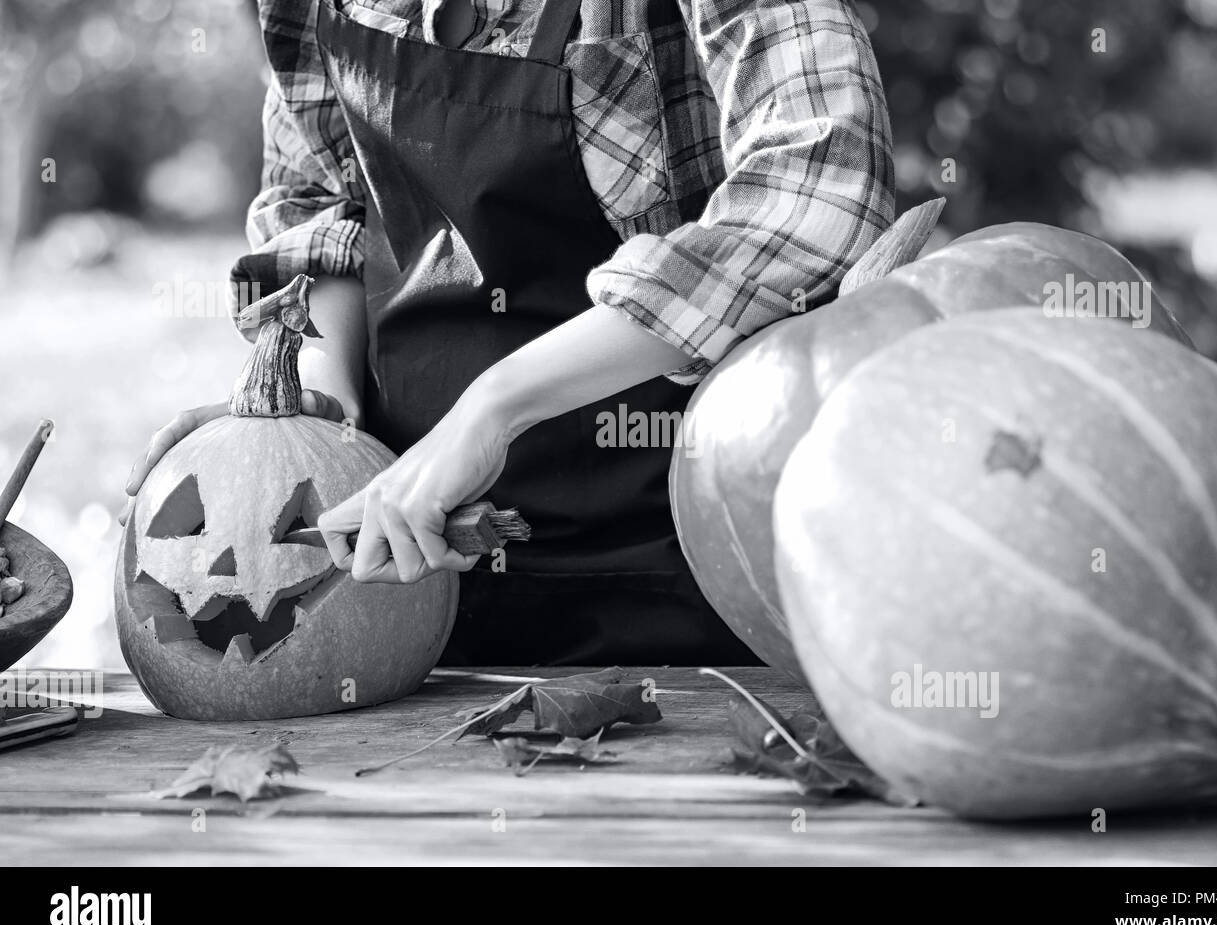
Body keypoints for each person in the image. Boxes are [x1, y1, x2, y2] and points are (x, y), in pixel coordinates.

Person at [124, 0, 894, 666]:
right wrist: (325, 419)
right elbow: (316, 204)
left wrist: (494, 406)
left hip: (689, 576)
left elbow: (822, 187)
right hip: (407, 576)